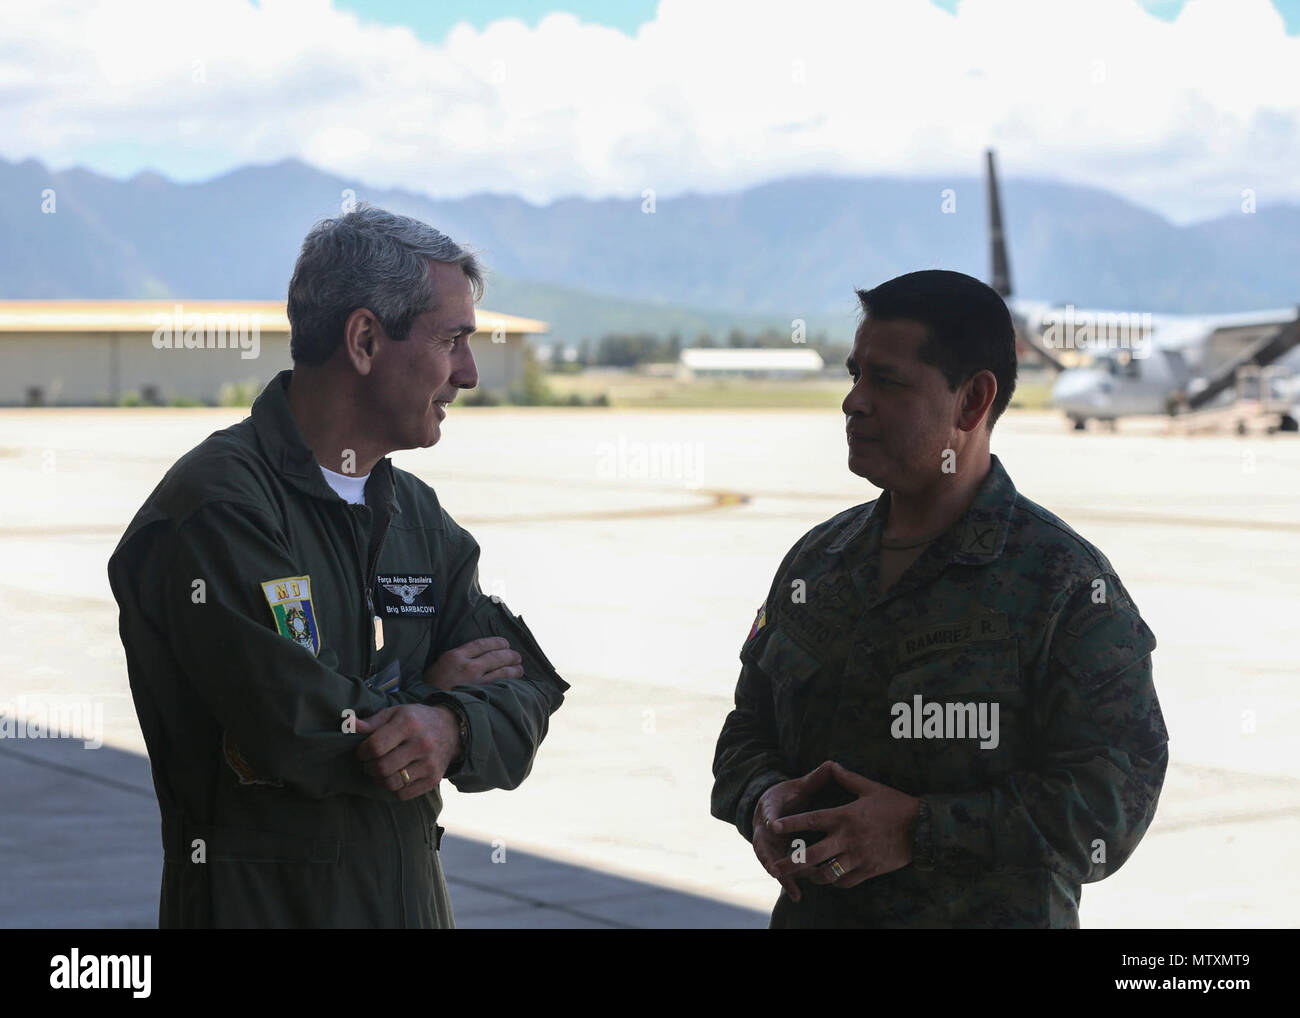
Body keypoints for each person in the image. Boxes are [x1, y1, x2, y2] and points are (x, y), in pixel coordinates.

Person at [108, 205, 568, 928]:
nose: (469, 374)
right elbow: (296, 729)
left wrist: (448, 726)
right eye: (452, 340)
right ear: (363, 340)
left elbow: (531, 690)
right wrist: (431, 698)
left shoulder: (414, 515)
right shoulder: (219, 509)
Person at [711, 269, 1168, 928]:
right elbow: (745, 735)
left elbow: (1112, 805)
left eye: (887, 380)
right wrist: (762, 800)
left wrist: (920, 830)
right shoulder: (818, 563)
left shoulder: (1064, 587)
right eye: (853, 375)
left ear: (972, 401)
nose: (854, 403)